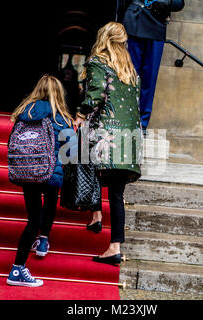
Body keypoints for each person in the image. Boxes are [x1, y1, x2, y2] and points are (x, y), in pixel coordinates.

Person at [75, 22, 142, 265]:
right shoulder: (131, 71)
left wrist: (80, 115)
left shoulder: (98, 62)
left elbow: (95, 94)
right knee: (116, 193)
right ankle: (114, 245)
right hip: (129, 138)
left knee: (83, 162)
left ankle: (95, 213)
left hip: (105, 133)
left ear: (103, 37)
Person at [7, 75, 73, 287]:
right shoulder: (61, 118)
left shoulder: (24, 113)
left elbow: (12, 141)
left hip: (28, 172)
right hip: (50, 171)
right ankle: (34, 251)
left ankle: (21, 264)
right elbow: (72, 151)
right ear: (58, 94)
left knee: (32, 219)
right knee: (50, 201)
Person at [118, 0, 184, 133]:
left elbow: (178, 3)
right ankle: (124, 118)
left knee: (149, 79)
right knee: (129, 75)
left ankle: (141, 124)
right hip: (135, 21)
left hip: (156, 25)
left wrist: (164, 2)